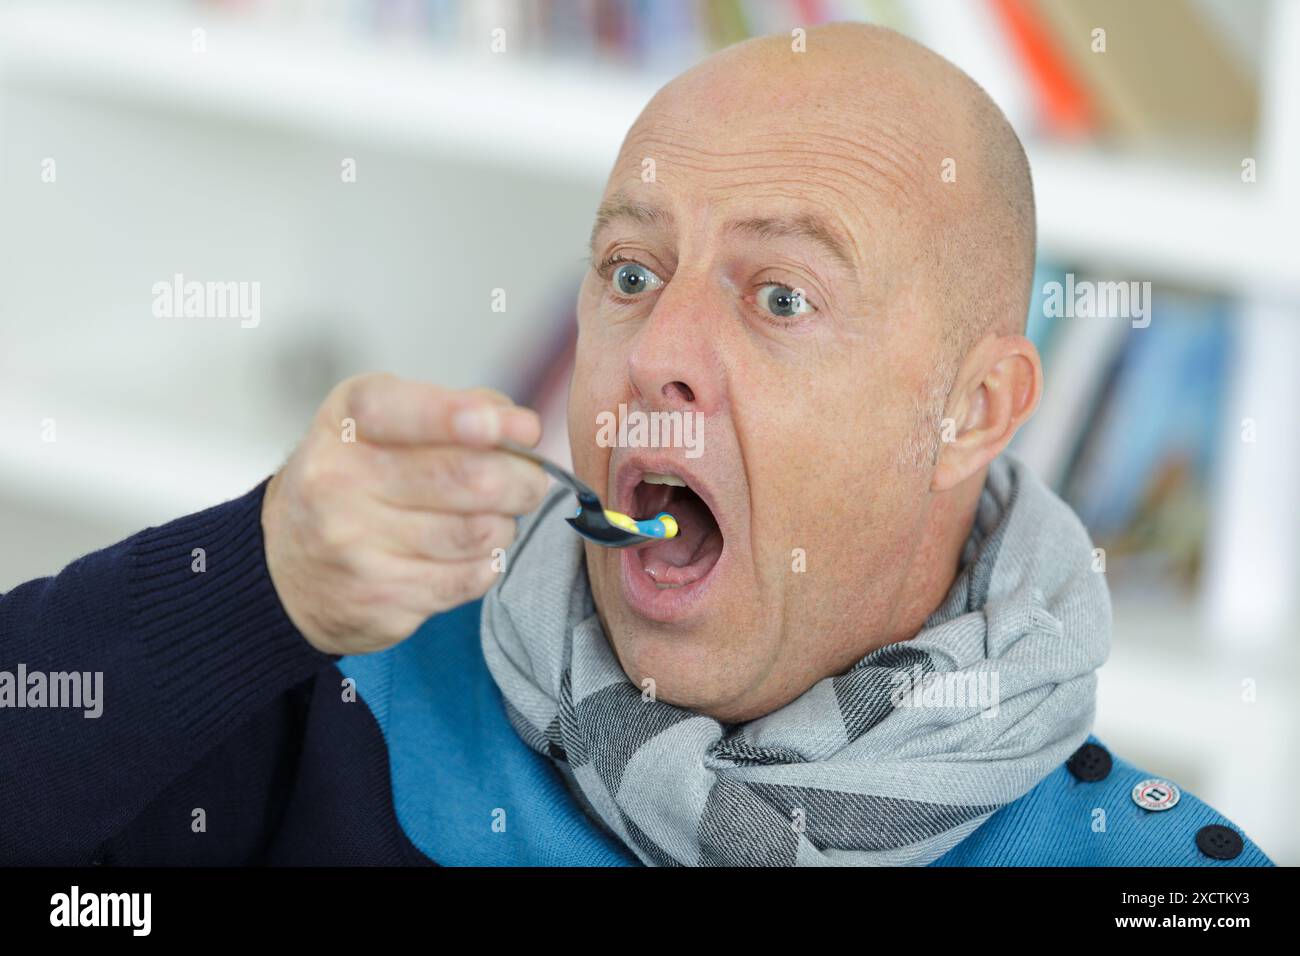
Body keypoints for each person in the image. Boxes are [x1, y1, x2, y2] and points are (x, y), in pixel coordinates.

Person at [0, 23, 1272, 866]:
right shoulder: (337, 706)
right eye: (628, 269)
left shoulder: (1158, 871)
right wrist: (251, 579)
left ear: (975, 411)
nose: (655, 345)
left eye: (780, 296)